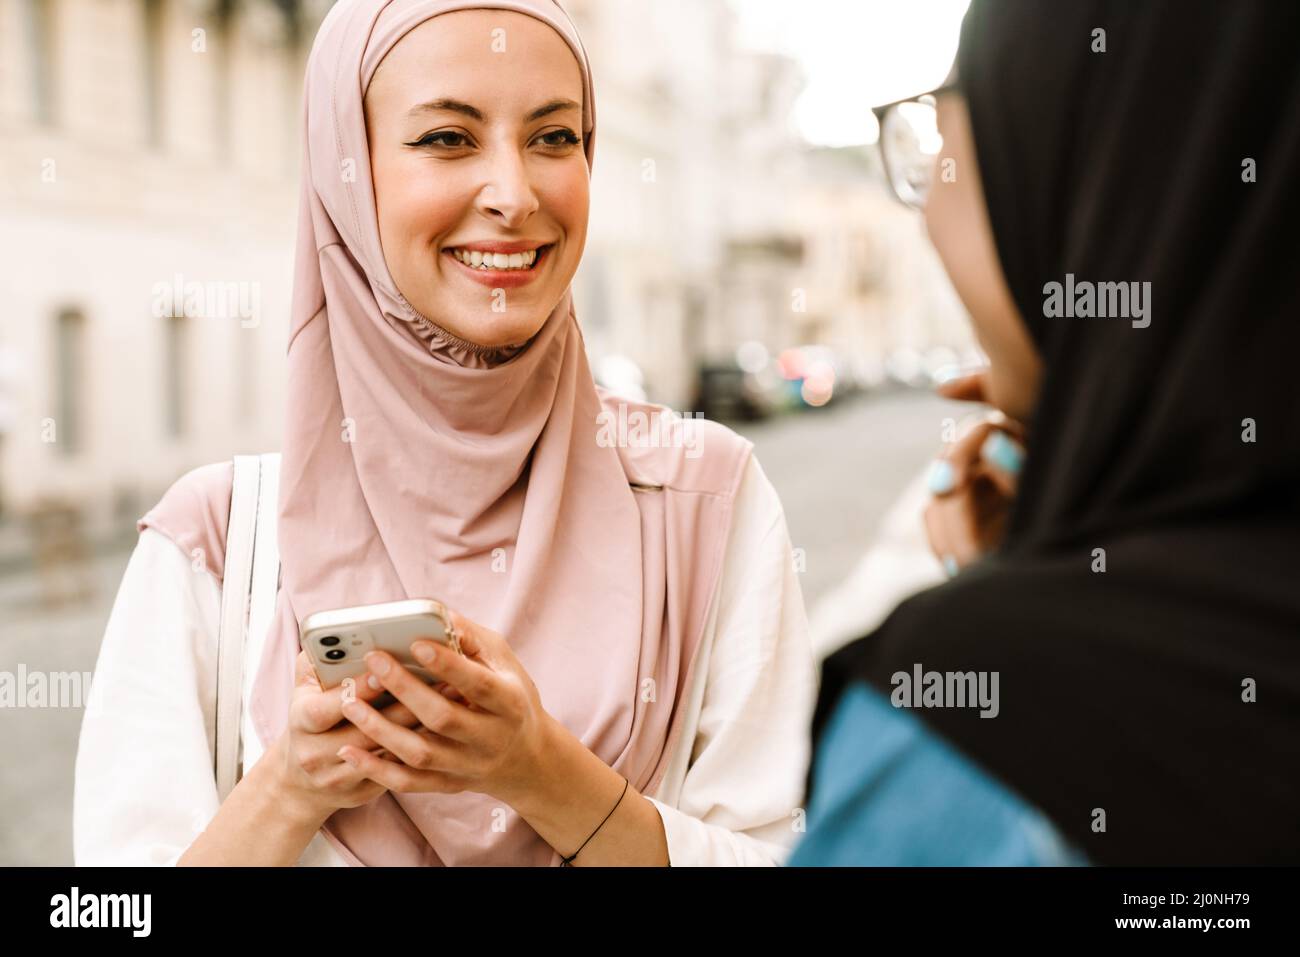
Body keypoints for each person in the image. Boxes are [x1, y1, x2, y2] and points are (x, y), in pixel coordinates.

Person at [74, 0, 816, 867]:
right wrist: (294, 782)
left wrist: (539, 769)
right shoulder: (214, 540)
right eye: (447, 140)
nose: (515, 194)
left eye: (554, 138)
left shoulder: (705, 501)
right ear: (348, 173)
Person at [792, 0, 1300, 865]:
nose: (922, 209)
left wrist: (1025, 605)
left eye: (942, 138)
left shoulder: (981, 740)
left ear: (1091, 177)